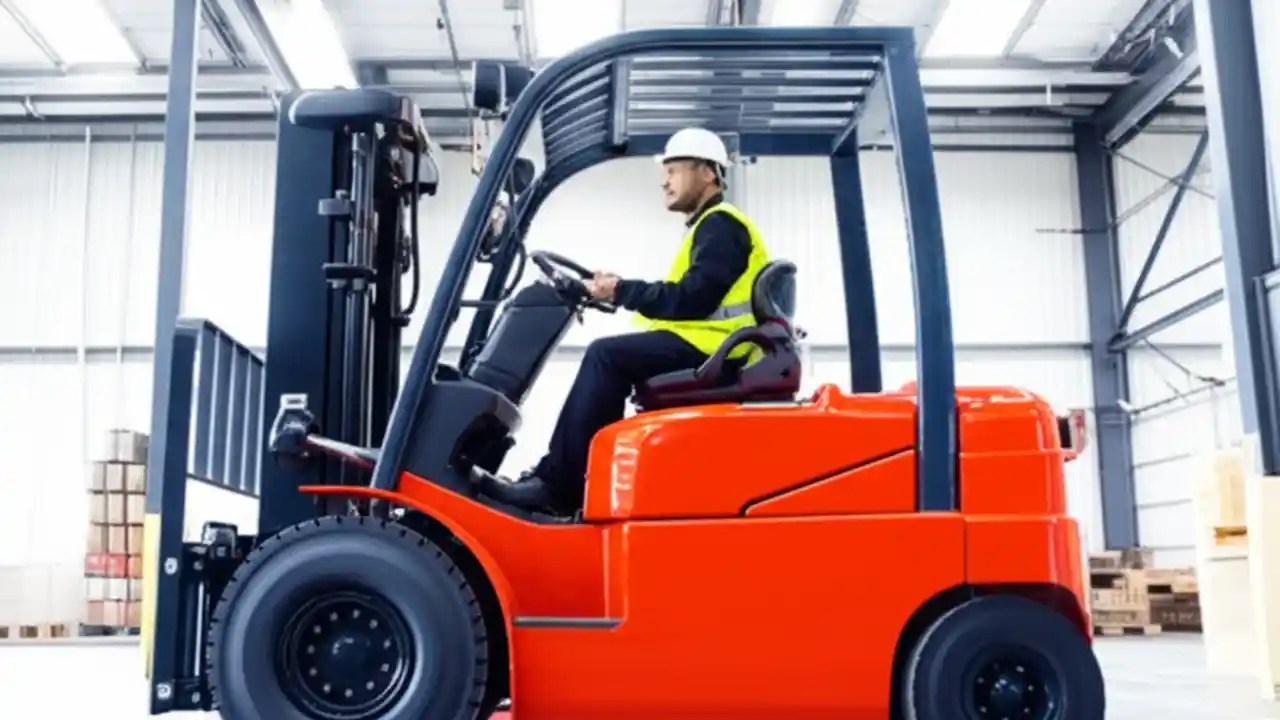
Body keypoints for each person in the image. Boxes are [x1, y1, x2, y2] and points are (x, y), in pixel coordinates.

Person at [479, 127, 770, 515]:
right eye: (664, 172)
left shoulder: (722, 225)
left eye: (675, 170)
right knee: (611, 356)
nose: (664, 180)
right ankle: (564, 480)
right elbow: (690, 297)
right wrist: (615, 290)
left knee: (606, 356)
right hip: (711, 346)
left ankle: (558, 485)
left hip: (718, 349)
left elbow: (693, 298)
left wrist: (620, 291)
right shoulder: (710, 227)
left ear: (708, 173)